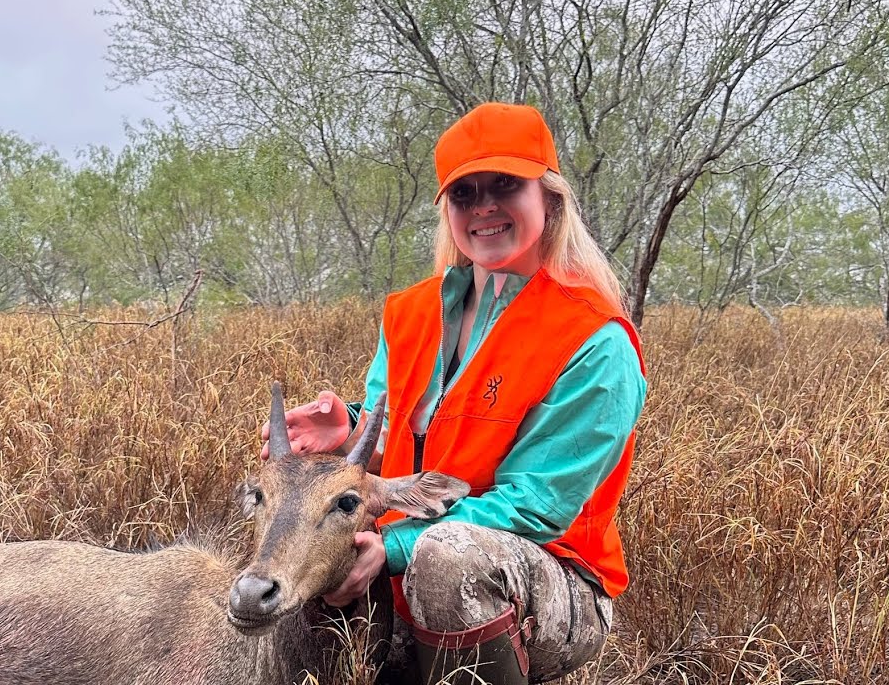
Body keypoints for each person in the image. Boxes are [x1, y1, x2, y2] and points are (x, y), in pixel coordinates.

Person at [261, 102, 647, 684]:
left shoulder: (594, 341)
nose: (484, 206)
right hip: (400, 555)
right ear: (448, 211)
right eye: (464, 193)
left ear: (550, 198)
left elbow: (533, 507)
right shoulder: (413, 312)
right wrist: (354, 428)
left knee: (448, 558)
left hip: (546, 577)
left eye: (505, 185)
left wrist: (391, 547)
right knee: (301, 536)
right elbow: (414, 439)